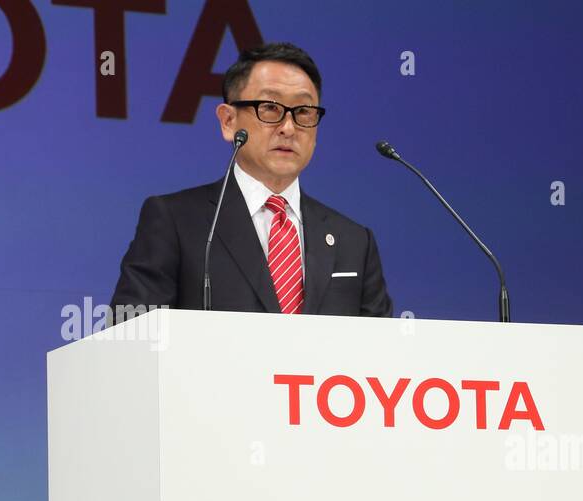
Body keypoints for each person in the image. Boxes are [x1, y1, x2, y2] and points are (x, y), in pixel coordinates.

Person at [111, 42, 392, 319]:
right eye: (270, 107)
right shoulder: (176, 221)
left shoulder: (355, 242)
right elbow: (131, 333)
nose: (289, 127)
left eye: (304, 111)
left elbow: (382, 345)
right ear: (228, 121)